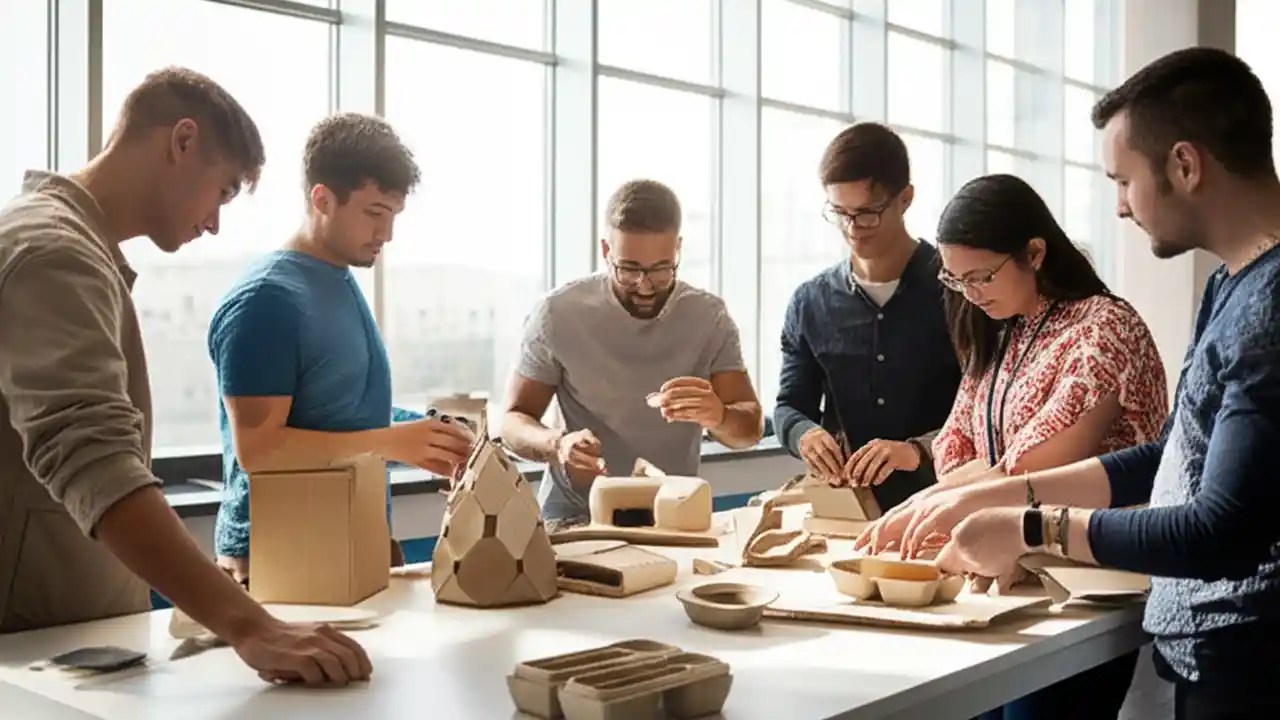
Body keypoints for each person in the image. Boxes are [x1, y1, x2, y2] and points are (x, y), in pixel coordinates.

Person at [884, 48, 1280, 719]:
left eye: (1122, 181)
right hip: (1216, 651)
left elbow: (1222, 530)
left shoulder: (1268, 309)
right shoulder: (1232, 285)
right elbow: (1173, 460)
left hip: (1251, 659)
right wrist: (1011, 500)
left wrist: (1033, 523)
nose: (1120, 208)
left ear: (1185, 165)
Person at [0, 67, 371, 686]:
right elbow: (94, 460)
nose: (215, 224)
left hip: (67, 637)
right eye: (223, 191)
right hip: (32, 653)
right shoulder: (52, 253)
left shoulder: (66, 246)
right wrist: (252, 626)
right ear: (182, 141)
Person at [857, 174, 1167, 720]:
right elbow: (959, 443)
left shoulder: (1105, 328)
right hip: (1010, 572)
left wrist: (933, 506)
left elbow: (1033, 465)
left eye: (982, 276)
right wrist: (924, 506)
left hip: (1084, 585)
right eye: (957, 281)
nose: (972, 293)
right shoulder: (1004, 331)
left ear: (1035, 252)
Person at [208, 113, 473, 584]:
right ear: (322, 198)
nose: (386, 234)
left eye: (393, 215)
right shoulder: (267, 300)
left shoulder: (336, 280)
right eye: (374, 213)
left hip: (354, 538)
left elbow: (337, 413)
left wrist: (427, 434)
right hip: (281, 555)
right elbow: (259, 449)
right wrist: (392, 442)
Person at [500, 179, 764, 528]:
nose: (644, 286)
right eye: (629, 269)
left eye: (661, 269)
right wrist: (557, 444)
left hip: (672, 516)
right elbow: (512, 421)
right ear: (605, 250)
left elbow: (750, 429)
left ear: (678, 249)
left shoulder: (708, 317)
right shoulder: (557, 313)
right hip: (576, 518)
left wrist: (719, 417)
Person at [774, 122, 961, 511]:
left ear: (905, 198)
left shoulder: (964, 291)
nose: (852, 228)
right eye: (840, 213)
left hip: (946, 506)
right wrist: (805, 434)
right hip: (847, 513)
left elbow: (992, 414)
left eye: (867, 213)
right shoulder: (809, 302)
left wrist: (916, 450)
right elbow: (789, 407)